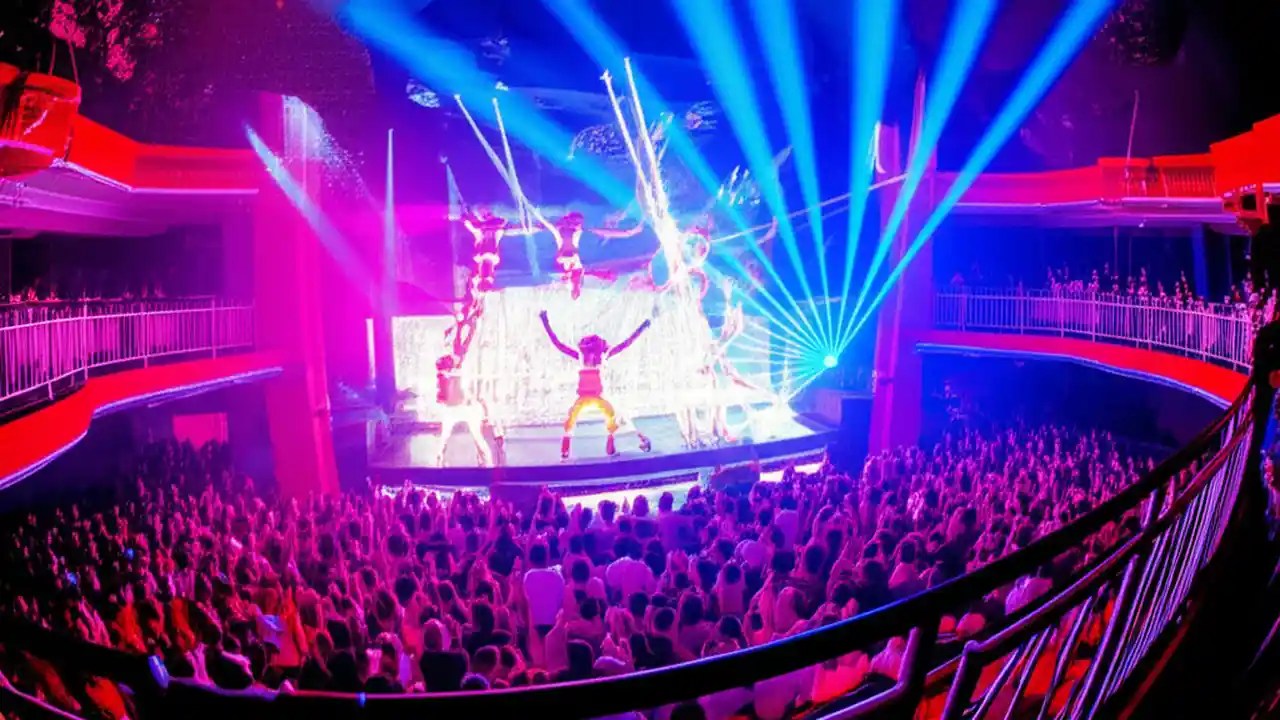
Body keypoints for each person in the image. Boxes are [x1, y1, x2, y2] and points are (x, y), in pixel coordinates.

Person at [537, 310, 655, 458]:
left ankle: (616, 445)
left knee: (614, 417)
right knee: (571, 422)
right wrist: (545, 322)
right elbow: (558, 344)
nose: (591, 357)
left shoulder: (602, 357)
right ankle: (565, 454)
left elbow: (627, 343)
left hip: (598, 397)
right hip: (585, 398)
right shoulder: (581, 358)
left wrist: (642, 327)